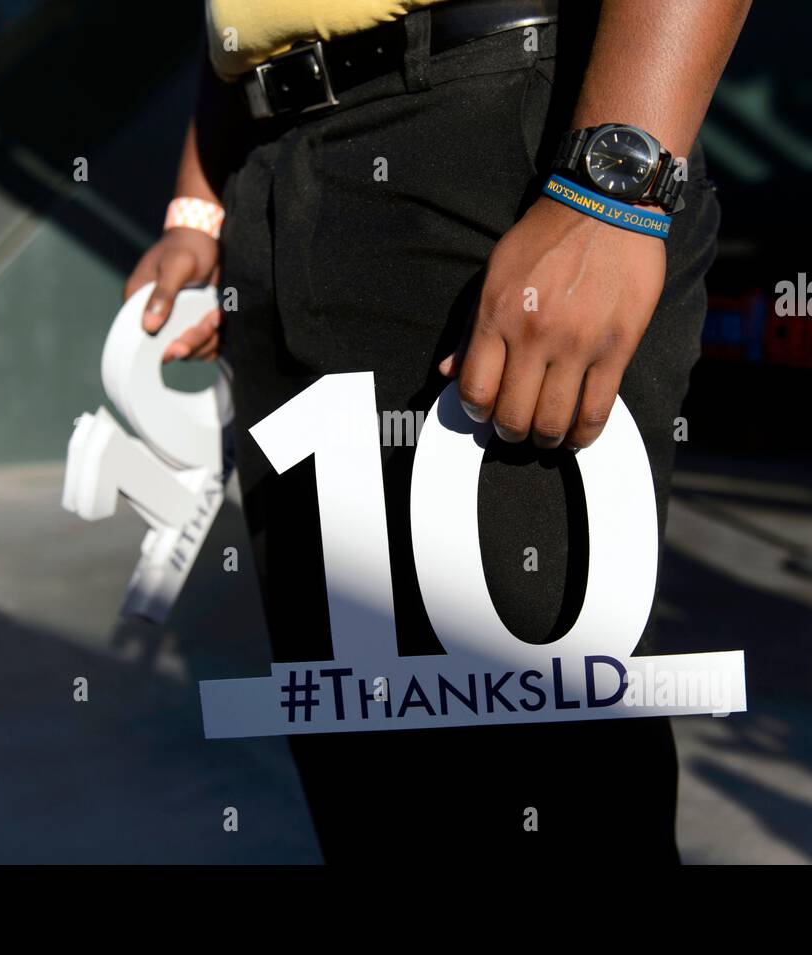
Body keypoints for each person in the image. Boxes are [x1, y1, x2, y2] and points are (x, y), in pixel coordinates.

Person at [125, 0, 751, 862]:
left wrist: (614, 190)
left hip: (497, 136)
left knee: (539, 802)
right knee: (373, 783)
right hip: (274, 164)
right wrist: (198, 205)